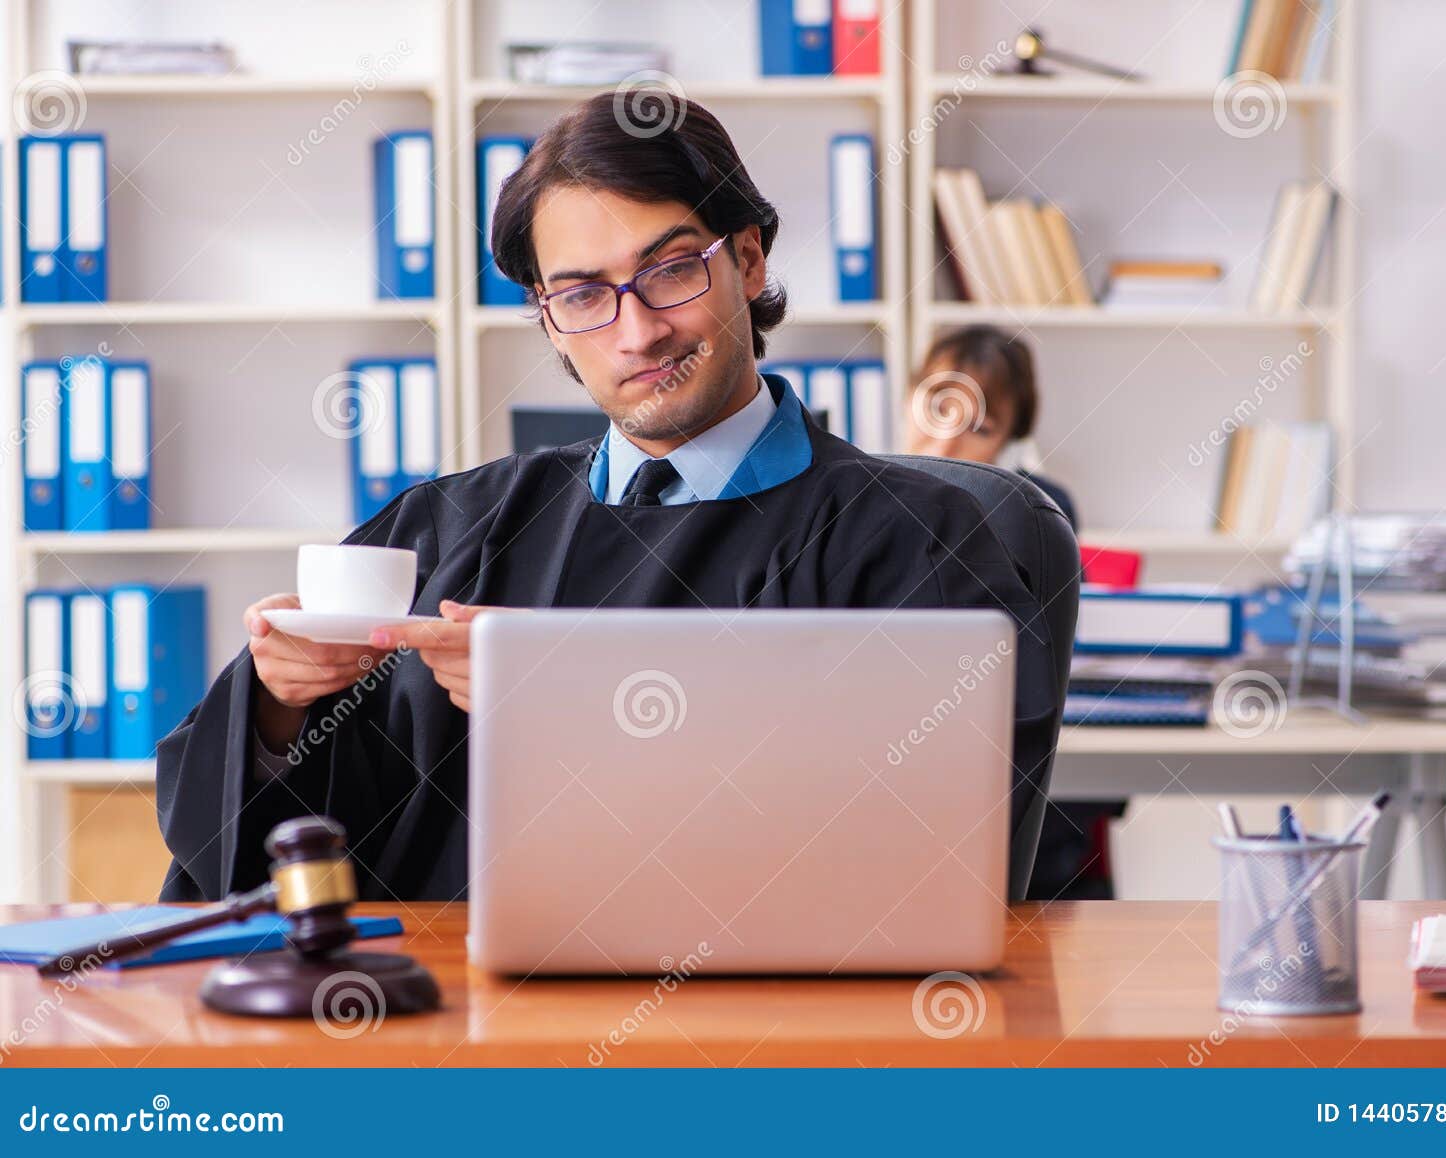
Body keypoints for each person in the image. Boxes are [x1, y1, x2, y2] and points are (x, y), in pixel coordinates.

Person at [155, 95, 1062, 904]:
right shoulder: (443, 531)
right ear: (549, 319)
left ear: (748, 260)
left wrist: (584, 704)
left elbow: (934, 847)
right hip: (436, 1039)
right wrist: (279, 708)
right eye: (583, 295)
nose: (637, 331)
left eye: (671, 270)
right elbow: (253, 861)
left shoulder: (920, 542)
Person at [905, 325, 1125, 900]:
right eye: (937, 406)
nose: (947, 440)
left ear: (1012, 436)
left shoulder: (1028, 511)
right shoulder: (853, 492)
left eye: (980, 427)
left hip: (1005, 747)